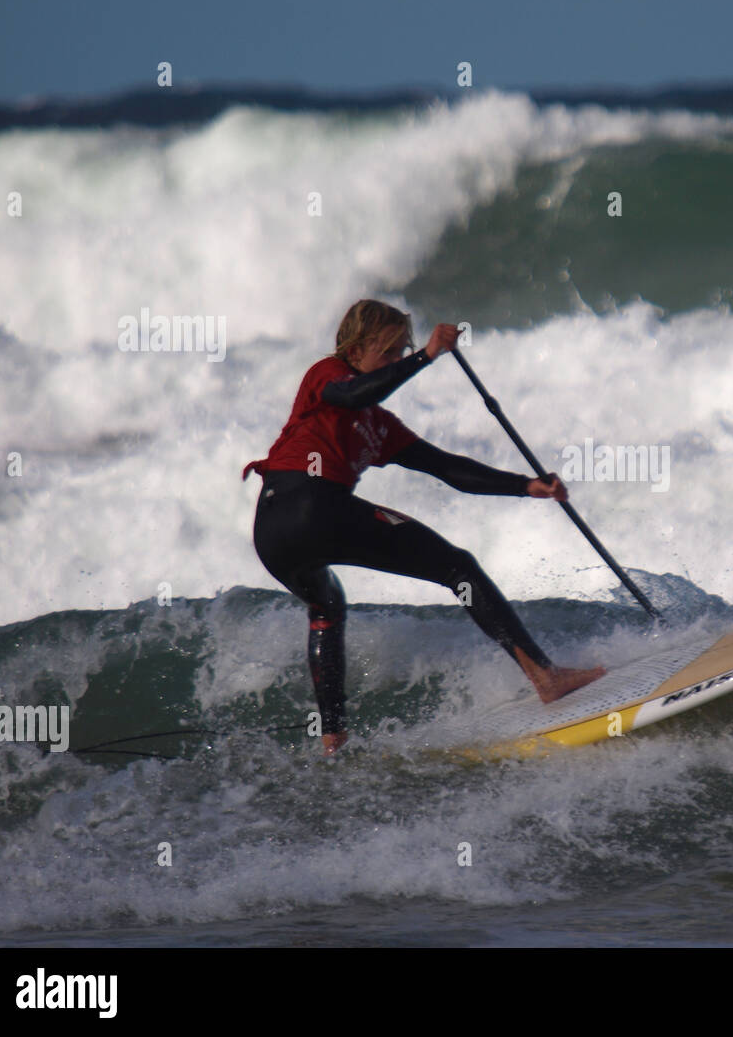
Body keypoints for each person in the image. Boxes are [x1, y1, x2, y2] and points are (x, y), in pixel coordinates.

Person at [243, 299, 605, 755]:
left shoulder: (380, 427)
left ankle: (333, 738)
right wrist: (427, 356)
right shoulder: (327, 375)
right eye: (389, 351)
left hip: (274, 533)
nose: (397, 360)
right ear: (356, 348)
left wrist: (525, 485)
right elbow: (354, 394)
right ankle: (545, 677)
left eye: (403, 351)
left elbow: (447, 468)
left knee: (326, 605)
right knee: (458, 567)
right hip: (311, 508)